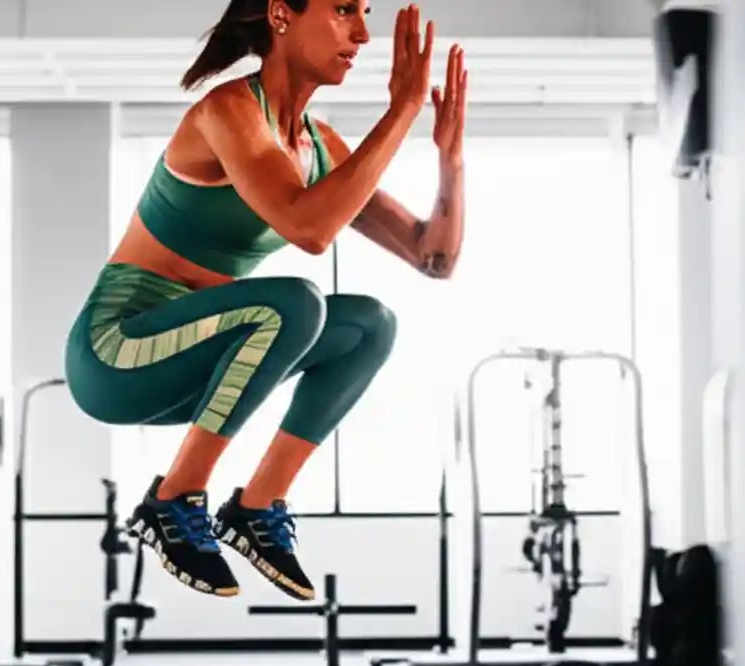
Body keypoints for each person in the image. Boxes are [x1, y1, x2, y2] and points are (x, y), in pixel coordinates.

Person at [64, 0, 467, 601]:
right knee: (295, 302)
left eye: (363, 13)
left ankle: (256, 508)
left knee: (369, 324)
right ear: (281, 14)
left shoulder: (318, 146)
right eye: (342, 11)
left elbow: (433, 258)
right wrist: (402, 109)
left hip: (202, 370)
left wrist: (450, 160)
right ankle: (172, 499)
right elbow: (310, 230)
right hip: (116, 354)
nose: (361, 33)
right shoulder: (228, 111)